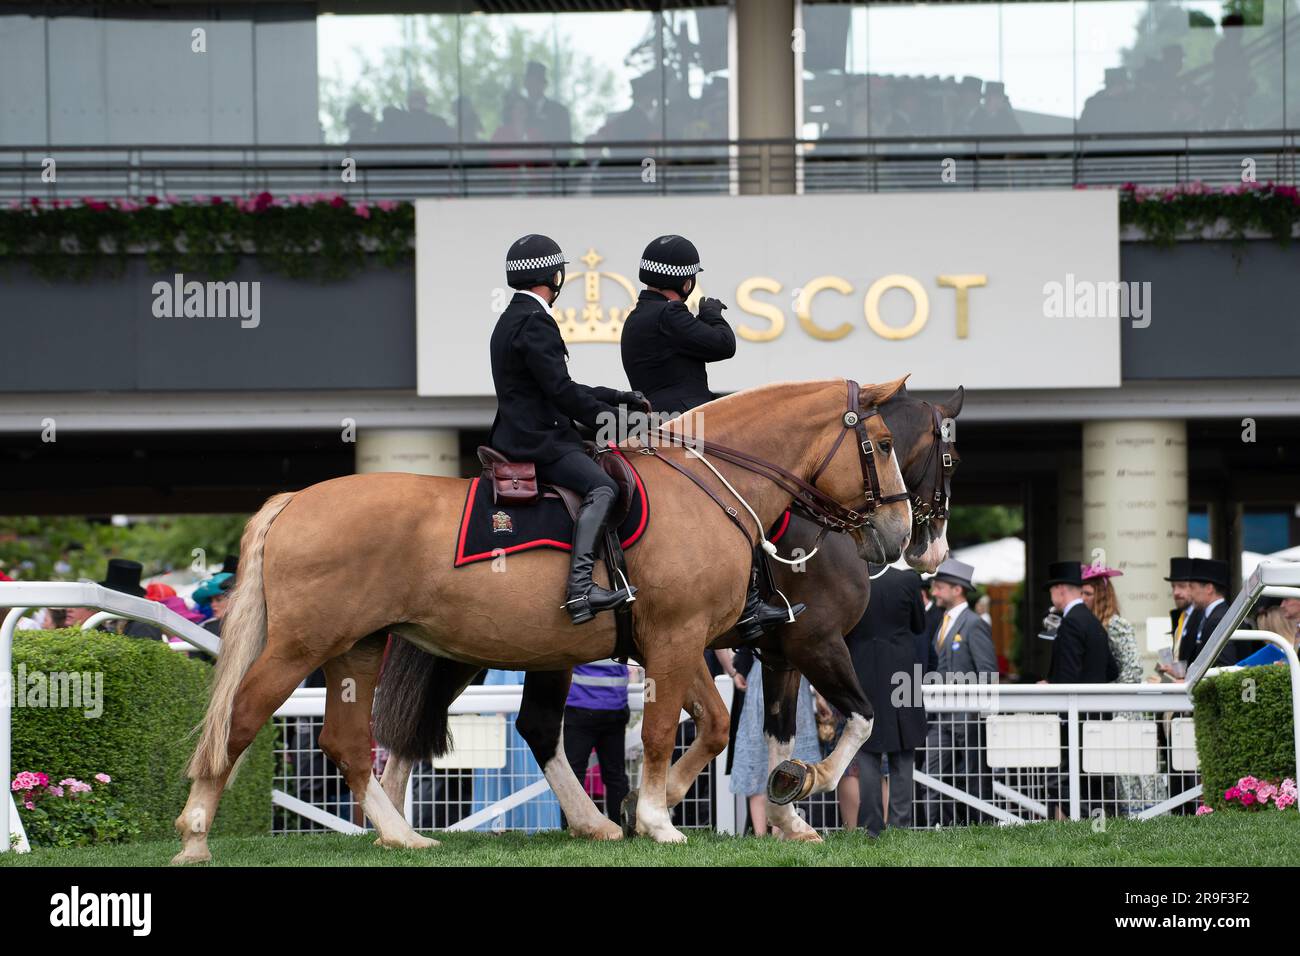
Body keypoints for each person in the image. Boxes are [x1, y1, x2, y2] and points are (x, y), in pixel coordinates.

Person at [618, 234, 801, 642]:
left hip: (656, 425)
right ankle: (752, 600)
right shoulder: (670, 314)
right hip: (689, 424)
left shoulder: (636, 317)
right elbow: (723, 345)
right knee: (746, 499)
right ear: (684, 281)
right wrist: (712, 314)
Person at [488, 233, 644, 625]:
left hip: (516, 434)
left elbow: (559, 384)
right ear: (553, 275)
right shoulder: (535, 322)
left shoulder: (510, 320)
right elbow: (561, 392)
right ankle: (580, 587)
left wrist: (618, 397)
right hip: (540, 441)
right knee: (604, 487)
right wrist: (616, 422)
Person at [843, 565, 928, 835]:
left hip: (862, 669)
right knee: (904, 752)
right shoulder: (908, 579)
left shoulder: (852, 577)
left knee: (867, 751)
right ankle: (900, 826)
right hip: (904, 671)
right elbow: (920, 624)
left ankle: (872, 827)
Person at [1082, 564, 1165, 814]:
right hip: (1106, 710)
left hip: (1123, 711)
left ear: (1101, 595)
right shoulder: (1089, 626)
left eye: (1087, 593)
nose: (1083, 598)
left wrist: (1105, 693)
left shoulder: (1117, 625)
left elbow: (1133, 670)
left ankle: (1143, 814)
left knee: (1130, 772)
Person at [922, 558, 997, 827]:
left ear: (957, 590)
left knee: (973, 775)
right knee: (933, 773)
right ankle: (939, 830)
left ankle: (981, 828)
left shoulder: (974, 623)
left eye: (939, 587)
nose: (934, 592)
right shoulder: (943, 620)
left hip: (968, 716)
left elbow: (988, 671)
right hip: (940, 717)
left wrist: (983, 711)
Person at [1043, 560, 1116, 819]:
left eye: (1052, 590)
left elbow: (1069, 673)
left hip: (1076, 716)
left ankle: (1083, 821)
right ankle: (1091, 820)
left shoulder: (1072, 622)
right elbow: (1112, 670)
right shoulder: (1093, 621)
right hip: (1097, 714)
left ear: (1061, 590)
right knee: (1090, 776)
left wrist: (1052, 686)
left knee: (1066, 776)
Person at [728, 653, 821, 836]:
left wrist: (733, 672)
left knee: (758, 765)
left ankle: (760, 834)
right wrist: (820, 695)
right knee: (785, 760)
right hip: (792, 680)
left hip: (759, 678)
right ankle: (779, 833)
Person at [562, 659, 631, 824]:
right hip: (614, 707)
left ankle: (573, 826)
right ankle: (621, 825)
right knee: (615, 776)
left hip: (580, 707)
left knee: (573, 775)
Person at [1184, 558, 1250, 665]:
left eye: (1192, 587)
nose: (1189, 593)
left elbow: (1223, 666)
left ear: (1209, 588)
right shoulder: (1215, 616)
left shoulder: (1219, 619)